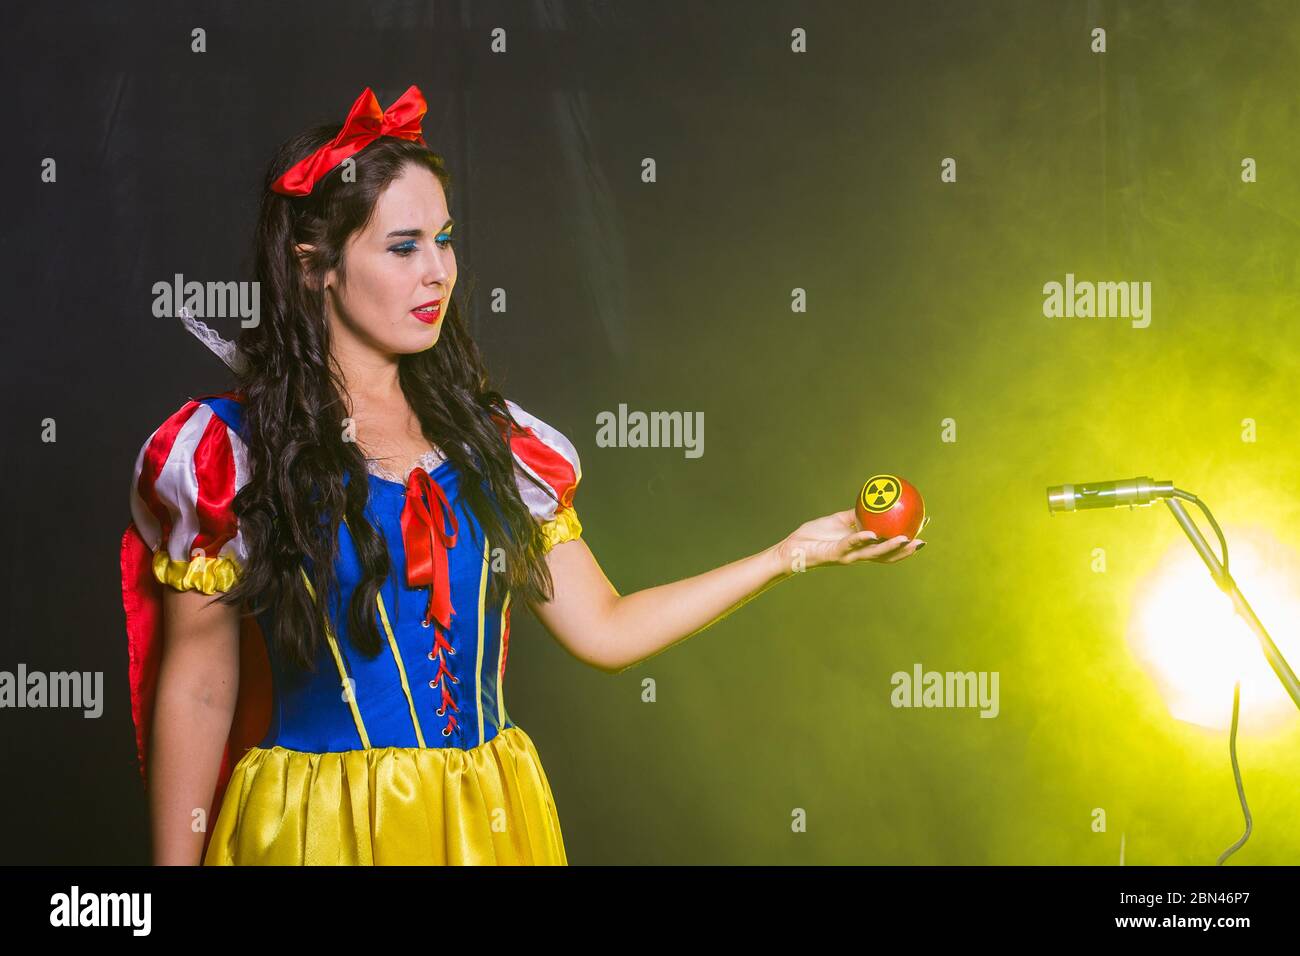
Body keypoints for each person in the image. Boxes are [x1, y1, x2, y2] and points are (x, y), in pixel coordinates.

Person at [118, 85, 927, 866]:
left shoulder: (493, 445)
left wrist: (791, 554)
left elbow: (604, 630)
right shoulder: (235, 452)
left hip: (489, 818)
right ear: (313, 265)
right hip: (319, 830)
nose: (438, 271)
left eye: (445, 238)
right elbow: (198, 691)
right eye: (403, 246)